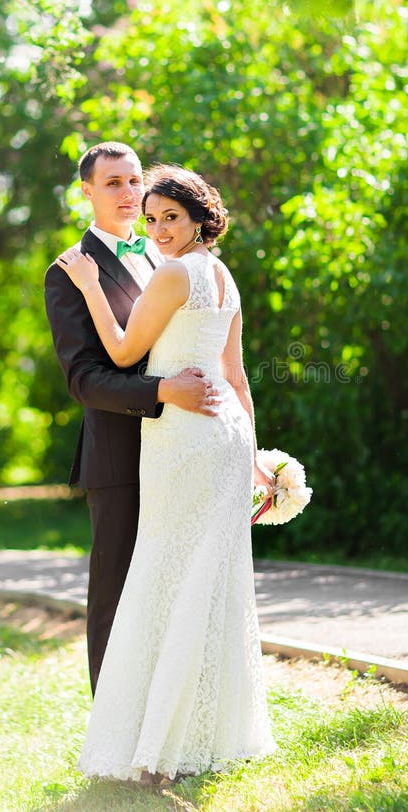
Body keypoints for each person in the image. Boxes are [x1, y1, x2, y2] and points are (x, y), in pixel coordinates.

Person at [55, 163, 276, 782]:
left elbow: (124, 354)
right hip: (225, 435)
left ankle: (155, 743)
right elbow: (236, 375)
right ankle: (205, 728)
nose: (157, 229)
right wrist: (254, 453)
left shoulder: (174, 270)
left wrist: (93, 287)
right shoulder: (224, 274)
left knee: (165, 577)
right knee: (210, 579)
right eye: (151, 219)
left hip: (183, 439)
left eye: (169, 217)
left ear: (200, 216)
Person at [44, 143, 218, 695]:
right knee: (115, 596)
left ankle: (166, 714)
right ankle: (112, 732)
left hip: (179, 446)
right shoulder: (69, 271)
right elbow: (84, 380)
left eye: (134, 181)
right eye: (113, 182)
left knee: (170, 586)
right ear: (87, 191)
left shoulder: (161, 256)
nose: (127, 193)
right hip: (119, 456)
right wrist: (162, 390)